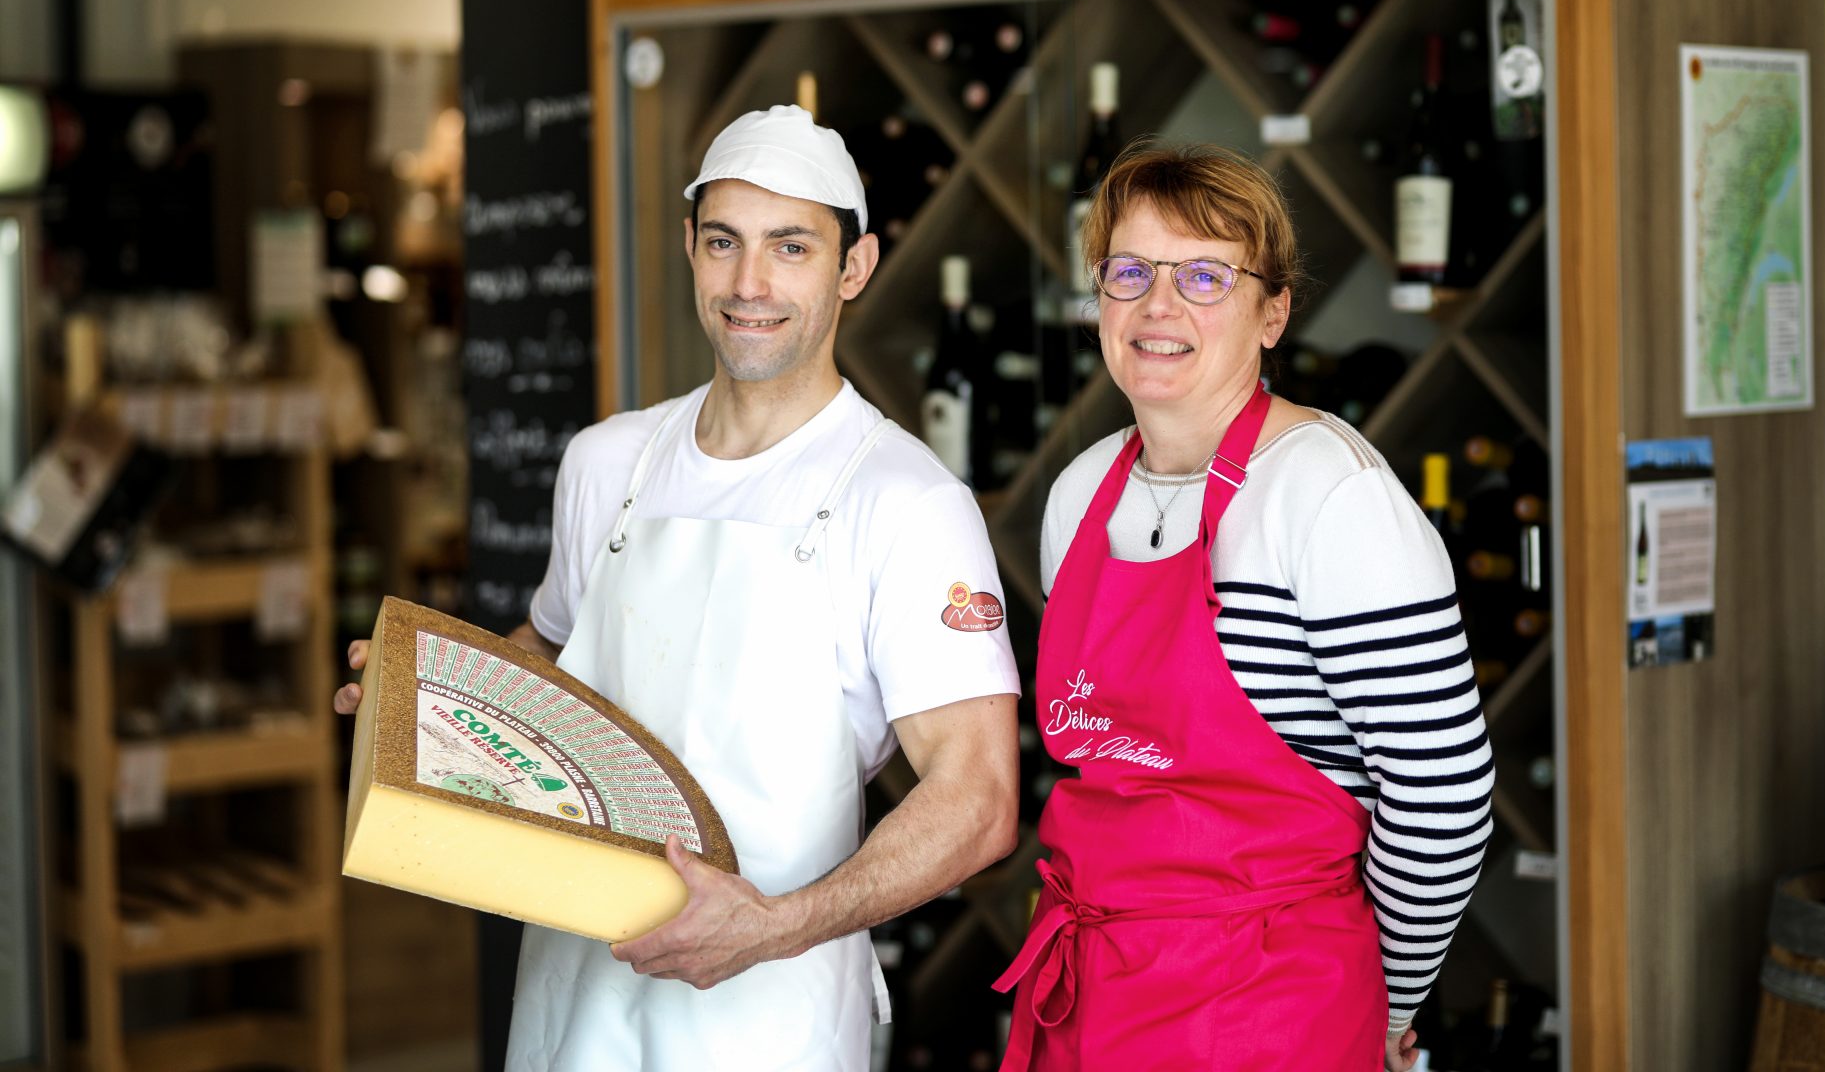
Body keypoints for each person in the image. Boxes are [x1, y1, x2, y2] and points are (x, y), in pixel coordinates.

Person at [335, 105, 1022, 1070]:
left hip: (772, 1012)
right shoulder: (607, 462)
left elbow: (979, 798)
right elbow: (548, 664)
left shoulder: (908, 502)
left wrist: (775, 925)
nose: (751, 284)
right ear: (690, 251)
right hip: (579, 992)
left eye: (791, 248)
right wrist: (427, 704)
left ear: (854, 268)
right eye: (723, 243)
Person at [993, 142, 1491, 1071]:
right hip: (1091, 996)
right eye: (1130, 271)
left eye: (1206, 276)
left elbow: (1444, 798)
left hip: (1268, 1008)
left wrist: (1390, 999)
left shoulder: (1328, 497)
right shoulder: (1079, 496)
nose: (1158, 306)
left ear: (1274, 312)